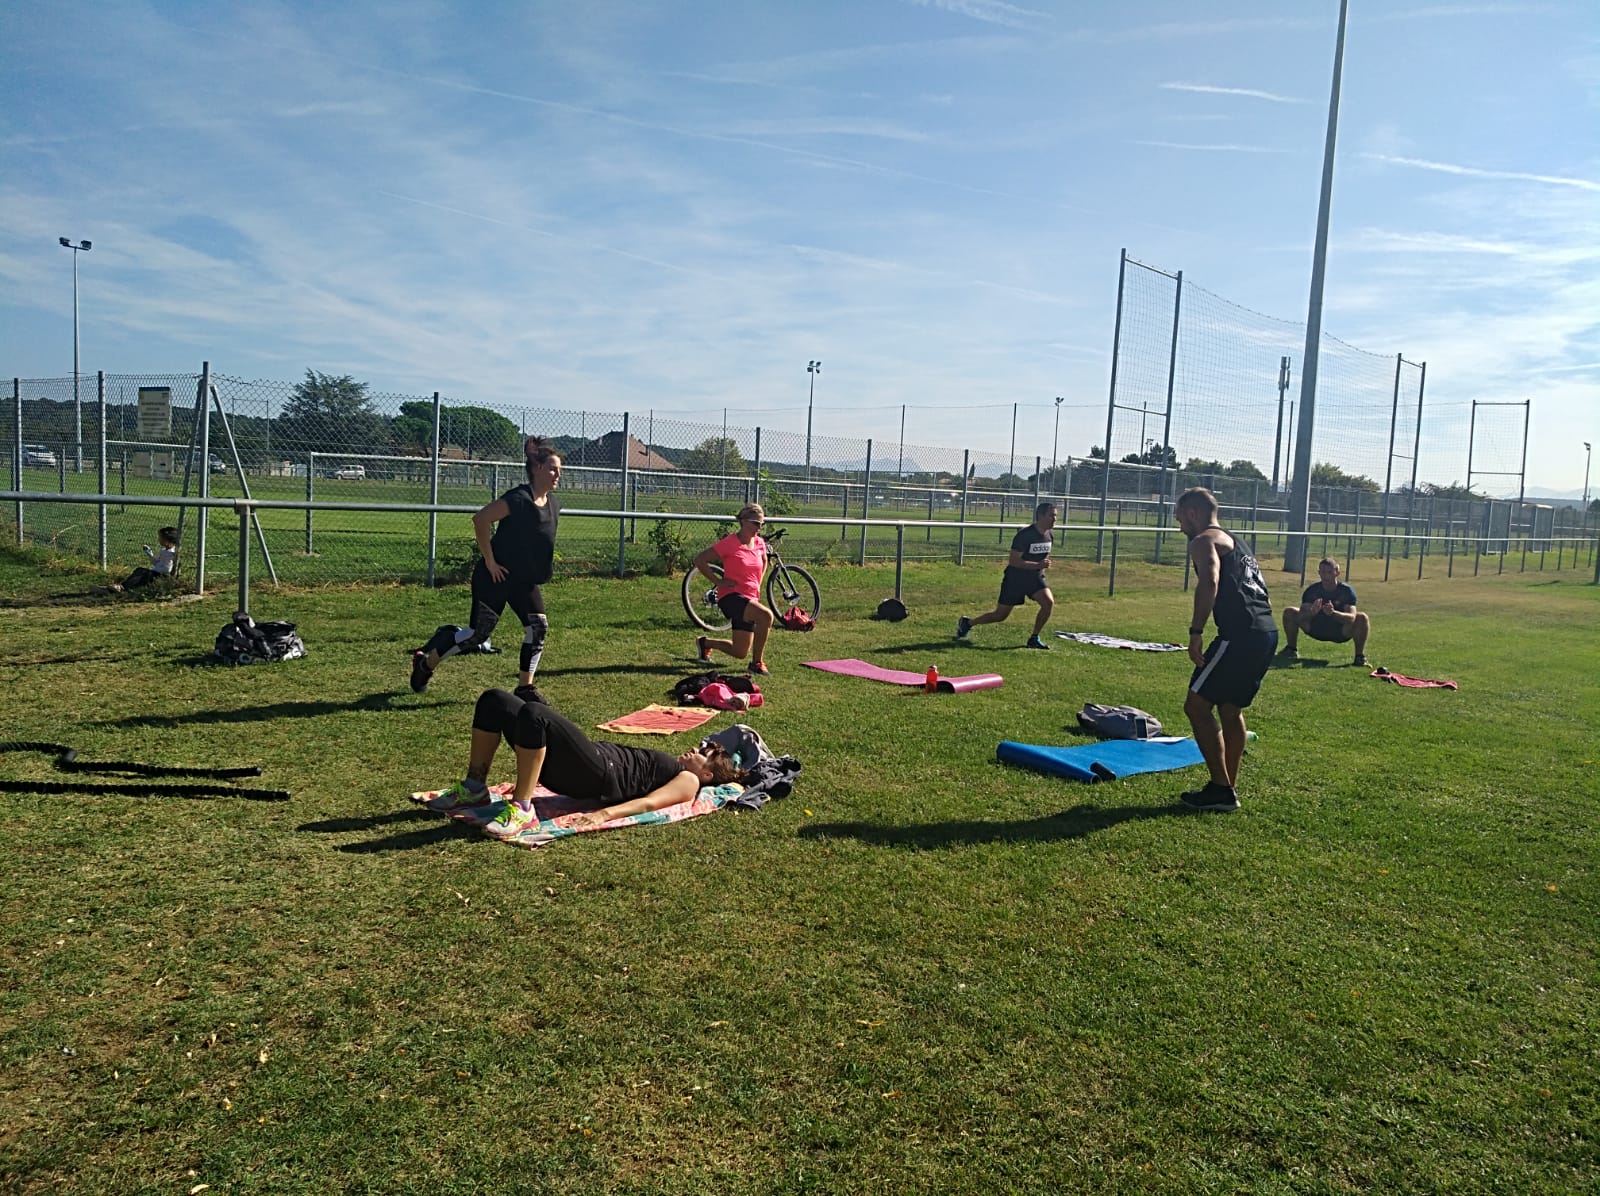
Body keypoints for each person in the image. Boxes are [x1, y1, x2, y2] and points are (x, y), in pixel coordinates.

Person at [432, 686, 748, 838]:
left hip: (595, 773)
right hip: (586, 761)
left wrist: (604, 815)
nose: (694, 749)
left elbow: (651, 803)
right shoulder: (687, 770)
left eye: (701, 754)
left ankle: (523, 809)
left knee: (535, 713)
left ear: (707, 774)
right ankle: (474, 788)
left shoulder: (690, 781)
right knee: (494, 700)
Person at [411, 437, 561, 693]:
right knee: (476, 635)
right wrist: (490, 562)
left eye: (559, 470)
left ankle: (525, 688)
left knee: (538, 628)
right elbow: (480, 519)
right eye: (552, 468)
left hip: (523, 582)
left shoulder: (553, 504)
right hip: (496, 578)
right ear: (537, 468)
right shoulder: (518, 498)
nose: (558, 474)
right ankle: (425, 664)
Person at [1175, 487, 1277, 813]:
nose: (1180, 528)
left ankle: (1221, 788)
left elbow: (1210, 581)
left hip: (1240, 635)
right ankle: (1225, 789)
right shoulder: (1238, 542)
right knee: (1230, 711)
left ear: (1193, 513)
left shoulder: (1203, 540)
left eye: (1180, 519)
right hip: (1265, 631)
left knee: (1196, 706)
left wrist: (1195, 632)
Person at [956, 502, 1057, 649]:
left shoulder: (1049, 535)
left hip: (1035, 578)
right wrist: (1037, 565)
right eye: (1051, 515)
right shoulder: (1025, 535)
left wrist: (1040, 568)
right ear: (1040, 516)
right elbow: (1014, 561)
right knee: (1000, 615)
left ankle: (1034, 638)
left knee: (1048, 603)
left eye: (1055, 516)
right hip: (1015, 579)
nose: (1054, 519)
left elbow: (1041, 558)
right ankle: (968, 623)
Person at [690, 503, 773, 676]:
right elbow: (700, 560)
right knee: (766, 616)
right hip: (731, 597)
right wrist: (718, 581)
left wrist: (758, 582)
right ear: (743, 522)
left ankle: (705, 643)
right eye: (755, 523)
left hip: (750, 598)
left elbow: (764, 561)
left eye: (761, 524)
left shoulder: (759, 543)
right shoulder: (730, 543)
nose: (759, 527)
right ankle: (756, 663)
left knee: (739, 651)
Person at [1281, 557, 1369, 666]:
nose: (1326, 575)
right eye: (1323, 572)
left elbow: (1352, 617)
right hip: (1315, 628)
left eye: (1330, 572)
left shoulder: (1346, 591)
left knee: (1362, 617)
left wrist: (1333, 613)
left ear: (1337, 572)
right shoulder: (1312, 590)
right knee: (1289, 612)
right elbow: (1301, 617)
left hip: (1340, 631)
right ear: (1319, 573)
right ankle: (1291, 649)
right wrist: (1312, 612)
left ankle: (1360, 657)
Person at [105, 525, 179, 592]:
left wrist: (155, 570)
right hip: (155, 572)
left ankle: (128, 588)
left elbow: (167, 569)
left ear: (167, 541)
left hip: (162, 575)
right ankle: (122, 586)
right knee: (139, 570)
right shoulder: (163, 550)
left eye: (160, 538)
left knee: (146, 574)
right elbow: (156, 562)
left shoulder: (171, 554)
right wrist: (149, 553)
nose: (159, 539)